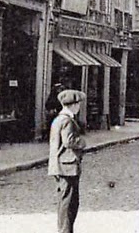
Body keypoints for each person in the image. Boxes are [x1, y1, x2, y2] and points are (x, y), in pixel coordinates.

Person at [48, 89, 87, 233]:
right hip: (67, 167)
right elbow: (69, 142)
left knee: (65, 202)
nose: (79, 107)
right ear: (73, 105)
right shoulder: (67, 121)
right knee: (69, 205)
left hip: (61, 166)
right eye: (78, 104)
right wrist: (82, 142)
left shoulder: (59, 119)